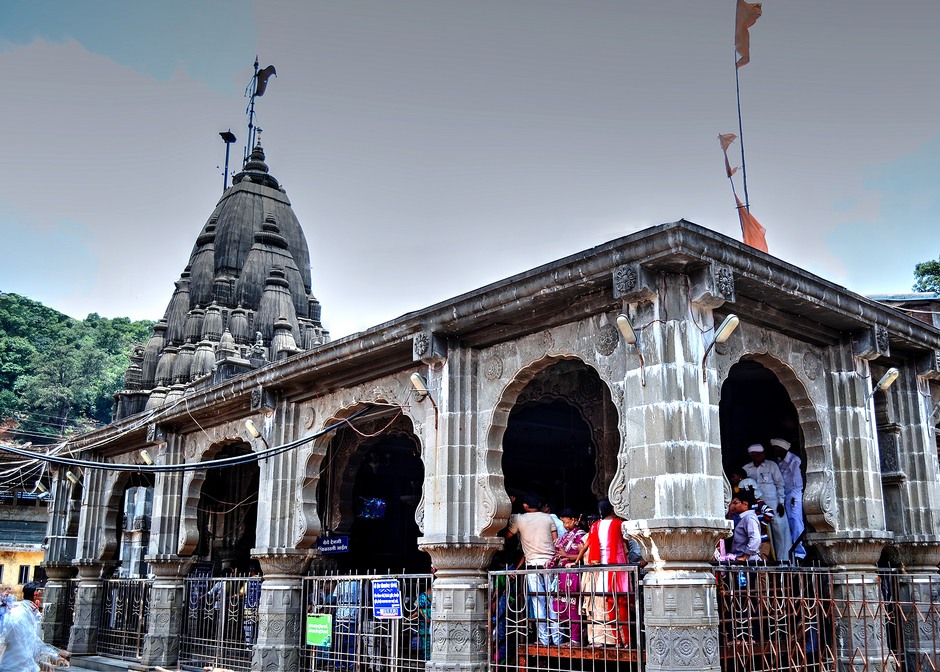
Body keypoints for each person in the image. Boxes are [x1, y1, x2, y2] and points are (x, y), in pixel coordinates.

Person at [506, 493, 561, 646]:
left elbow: (508, 535)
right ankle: (557, 640)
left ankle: (544, 640)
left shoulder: (519, 519)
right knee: (552, 602)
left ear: (525, 506)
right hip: (550, 566)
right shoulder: (548, 518)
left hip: (532, 566)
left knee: (538, 603)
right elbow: (557, 542)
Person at [582, 499, 632, 647]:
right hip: (619, 567)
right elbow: (626, 542)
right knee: (621, 603)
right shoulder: (619, 524)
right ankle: (627, 641)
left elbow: (587, 545)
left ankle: (617, 641)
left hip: (603, 569)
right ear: (612, 509)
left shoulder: (596, 525)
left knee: (609, 603)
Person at [0, 582, 67, 672]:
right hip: (16, 666)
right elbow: (27, 644)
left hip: (16, 665)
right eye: (41, 593)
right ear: (35, 595)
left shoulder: (27, 612)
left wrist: (56, 654)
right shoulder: (21, 615)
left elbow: (34, 642)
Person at [742, 443, 792, 563]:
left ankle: (783, 561)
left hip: (774, 504)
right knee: (762, 534)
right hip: (757, 506)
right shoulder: (746, 468)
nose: (758, 457)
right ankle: (766, 560)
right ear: (752, 455)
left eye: (760, 454)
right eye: (755, 455)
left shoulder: (772, 465)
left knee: (780, 532)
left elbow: (780, 484)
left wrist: (781, 502)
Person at [549, 509, 587, 643]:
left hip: (573, 574)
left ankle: (576, 639)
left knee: (572, 606)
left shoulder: (580, 535)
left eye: (568, 522)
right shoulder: (566, 536)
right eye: (563, 522)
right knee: (560, 606)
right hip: (562, 574)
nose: (565, 525)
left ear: (575, 520)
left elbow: (583, 554)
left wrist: (566, 556)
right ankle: (569, 636)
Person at [772, 437, 806, 560]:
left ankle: (800, 552)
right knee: (788, 523)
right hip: (785, 495)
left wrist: (793, 497)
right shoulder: (779, 462)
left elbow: (797, 483)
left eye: (777, 449)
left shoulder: (793, 461)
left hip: (793, 495)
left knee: (796, 521)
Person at [728, 492, 762, 563]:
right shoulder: (742, 518)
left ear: (745, 504)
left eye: (735, 503)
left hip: (749, 561)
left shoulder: (749, 518)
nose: (733, 505)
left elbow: (755, 538)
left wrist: (745, 556)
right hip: (742, 559)